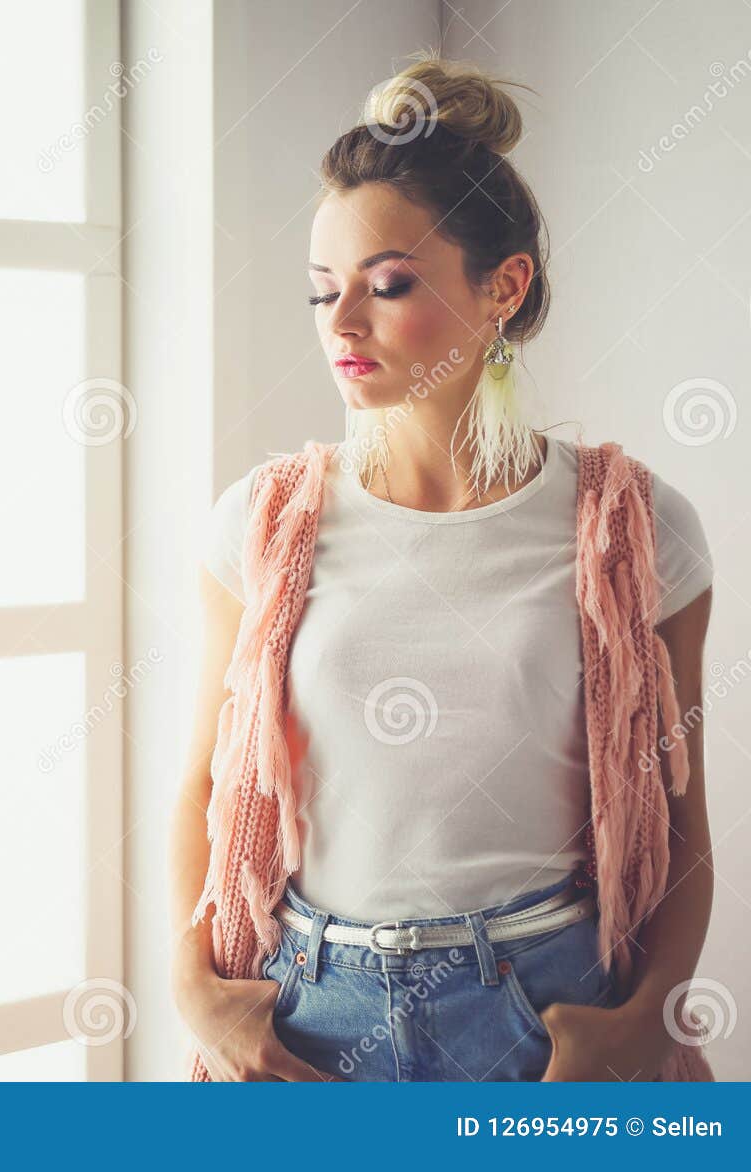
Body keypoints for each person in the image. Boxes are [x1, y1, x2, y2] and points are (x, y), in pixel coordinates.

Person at [168, 51, 714, 1082]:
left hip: (550, 1012)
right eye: (323, 291)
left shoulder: (633, 528)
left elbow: (680, 819)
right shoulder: (262, 522)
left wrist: (647, 1017)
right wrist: (198, 1000)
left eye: (388, 285)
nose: (342, 321)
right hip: (306, 1013)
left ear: (503, 286)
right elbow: (202, 782)